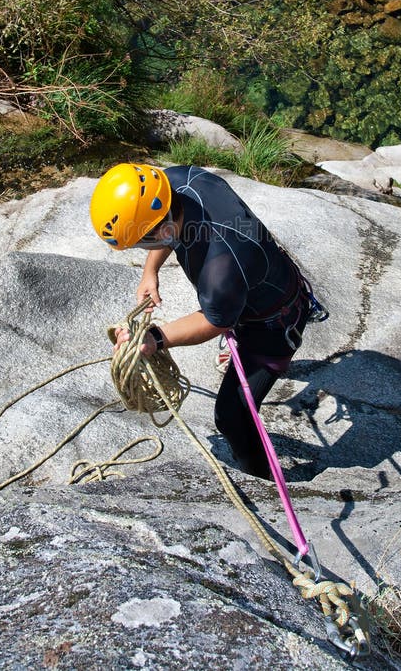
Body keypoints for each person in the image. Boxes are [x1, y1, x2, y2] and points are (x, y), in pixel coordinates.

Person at [90, 162, 326, 480]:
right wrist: (150, 271)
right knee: (231, 306)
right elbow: (162, 223)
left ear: (160, 232)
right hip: (260, 276)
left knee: (232, 416)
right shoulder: (179, 180)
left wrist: (154, 339)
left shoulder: (220, 270)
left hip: (272, 324)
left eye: (142, 244)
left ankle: (263, 481)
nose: (144, 249)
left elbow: (215, 321)